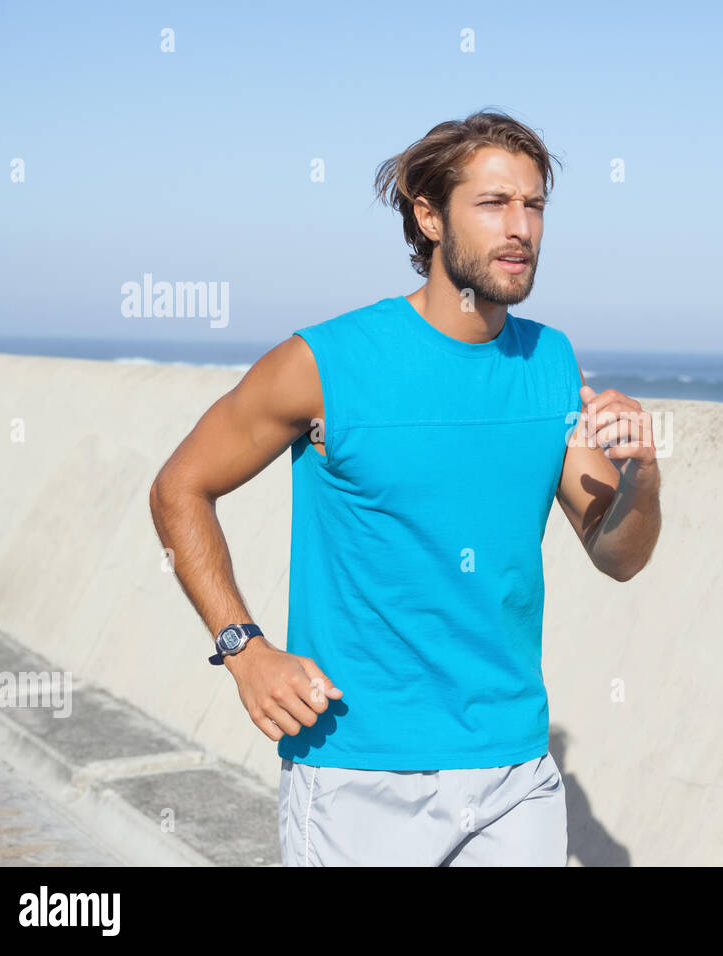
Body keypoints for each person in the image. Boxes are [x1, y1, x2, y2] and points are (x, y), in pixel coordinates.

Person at [148, 109, 662, 865]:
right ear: (428, 217)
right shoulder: (326, 362)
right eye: (493, 204)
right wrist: (243, 649)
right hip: (357, 771)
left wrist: (644, 475)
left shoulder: (551, 362)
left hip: (513, 771)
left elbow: (617, 553)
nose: (520, 227)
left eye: (534, 205)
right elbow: (179, 487)